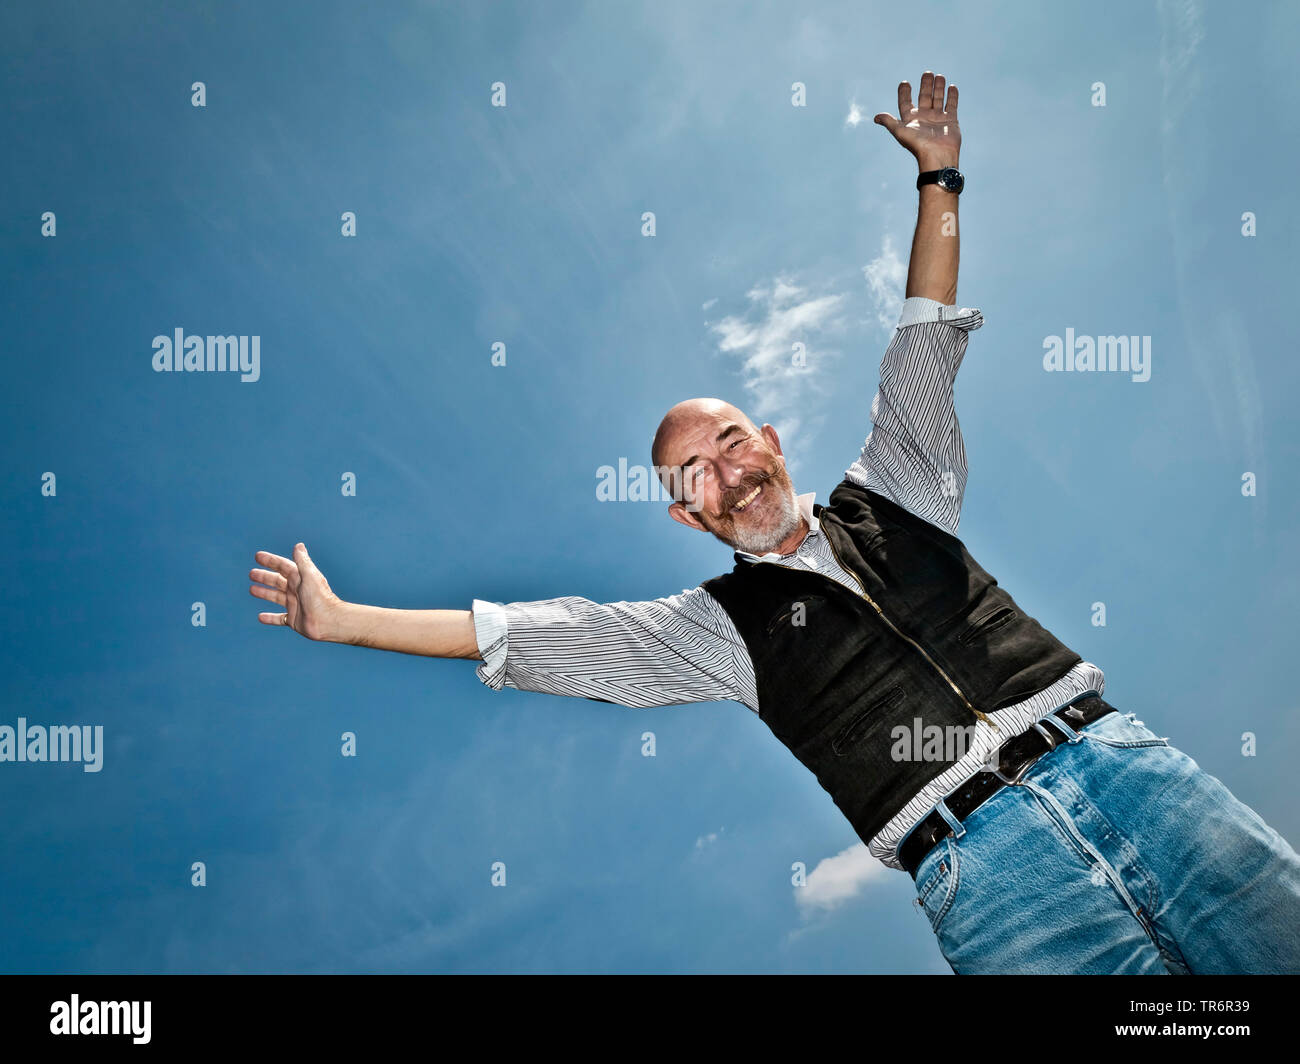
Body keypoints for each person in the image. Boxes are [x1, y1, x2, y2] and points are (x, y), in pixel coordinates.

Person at [249, 71, 1300, 974]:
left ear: (771, 438)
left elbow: (921, 343)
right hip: (988, 874)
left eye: (729, 444)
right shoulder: (714, 629)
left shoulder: (897, 484)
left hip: (1125, 771)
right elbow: (539, 636)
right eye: (691, 475)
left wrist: (937, 177)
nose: (725, 475)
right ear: (683, 514)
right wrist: (345, 621)